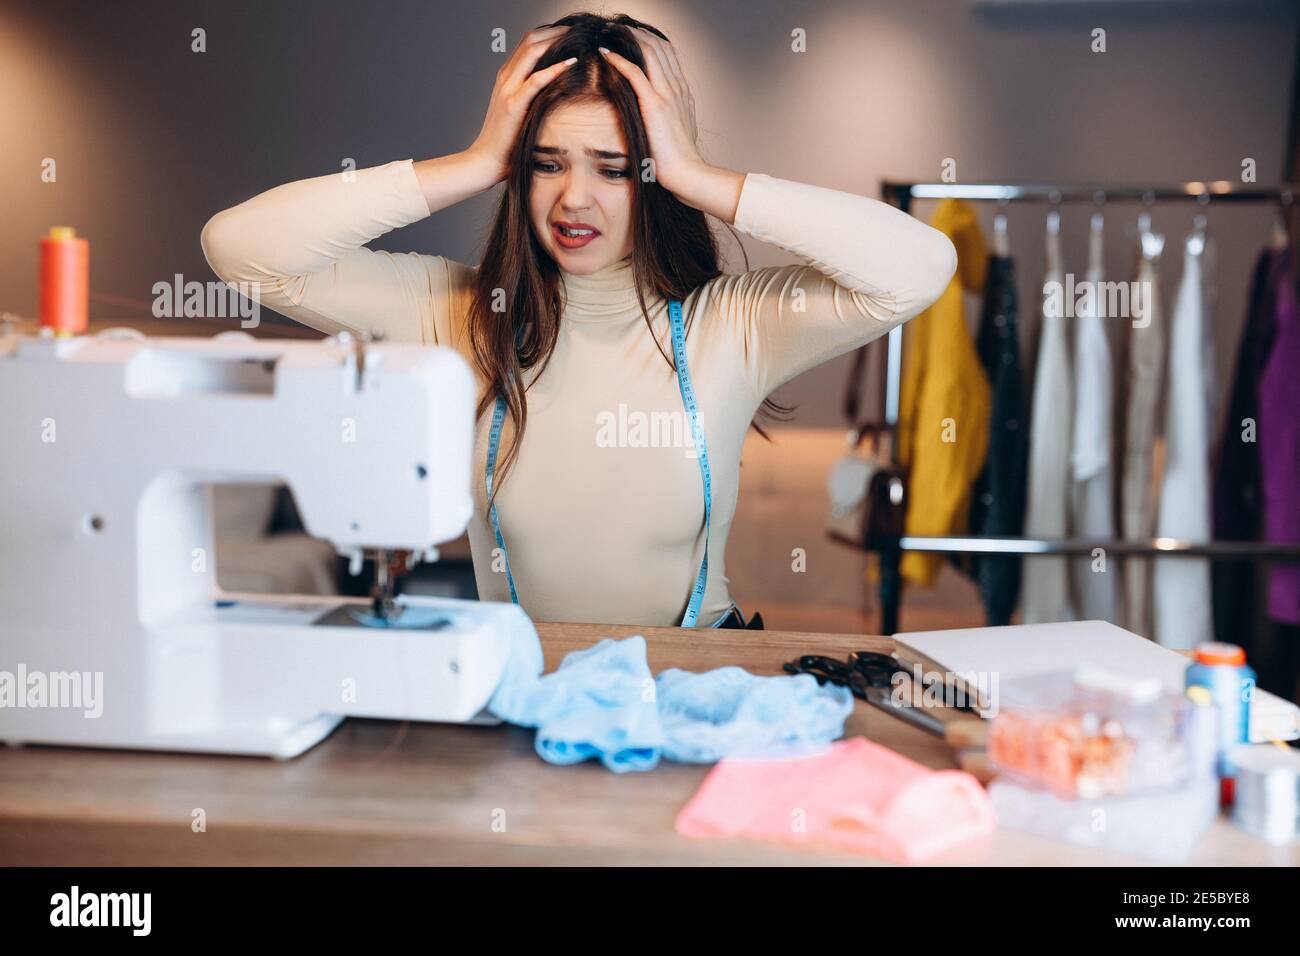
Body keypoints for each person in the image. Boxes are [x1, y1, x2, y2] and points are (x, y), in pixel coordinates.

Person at [201, 12, 956, 628]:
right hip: (522, 700)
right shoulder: (458, 317)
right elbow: (241, 250)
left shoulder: (733, 326)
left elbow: (920, 267)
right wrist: (475, 161)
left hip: (694, 687)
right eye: (548, 162)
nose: (574, 200)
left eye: (615, 167)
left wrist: (695, 176)